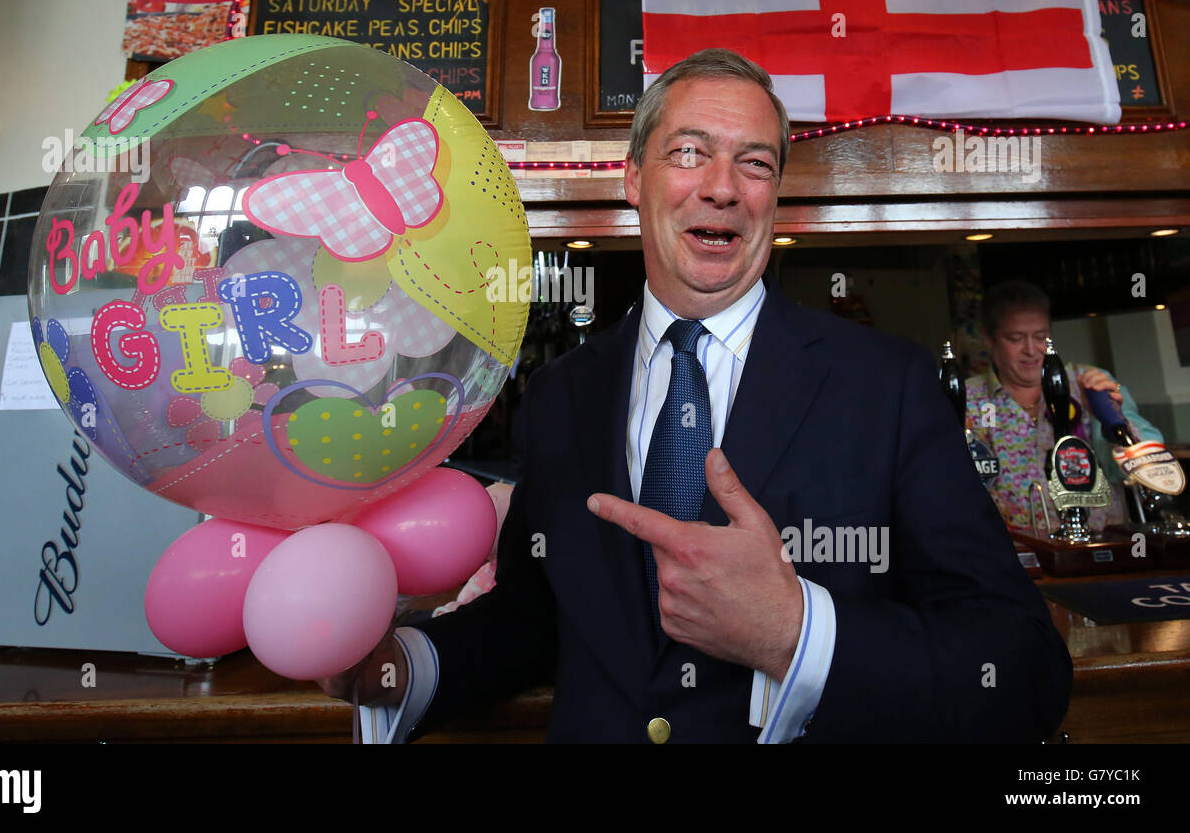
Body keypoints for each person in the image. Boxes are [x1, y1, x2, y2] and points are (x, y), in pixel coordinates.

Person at [326, 48, 1073, 743]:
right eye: (688, 152)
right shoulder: (561, 395)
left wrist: (794, 631)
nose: (721, 186)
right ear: (633, 179)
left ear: (775, 195)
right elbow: (544, 616)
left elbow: (1022, 664)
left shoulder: (887, 385)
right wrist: (405, 664)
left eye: (754, 163)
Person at [966, 279, 1164, 532]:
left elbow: (1152, 471)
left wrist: (1111, 419)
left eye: (1040, 336)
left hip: (1098, 544)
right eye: (1015, 338)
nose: (1031, 349)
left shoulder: (1089, 383)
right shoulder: (970, 399)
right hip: (1008, 553)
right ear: (988, 337)